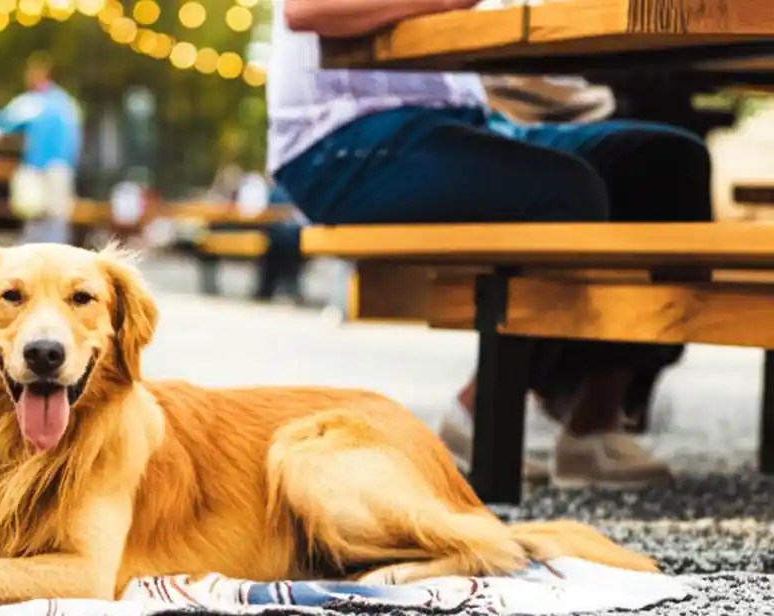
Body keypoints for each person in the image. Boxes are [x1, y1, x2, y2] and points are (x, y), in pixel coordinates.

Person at [270, 0, 709, 488]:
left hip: (465, 121)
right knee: (564, 194)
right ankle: (477, 415)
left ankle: (595, 424)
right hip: (337, 139)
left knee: (666, 161)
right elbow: (306, 11)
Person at [0, 52, 82, 245]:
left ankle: (40, 253)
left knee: (40, 214)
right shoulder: (67, 104)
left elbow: (1, 124)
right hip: (57, 166)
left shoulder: (34, 102)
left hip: (42, 165)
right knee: (51, 215)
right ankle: (52, 253)